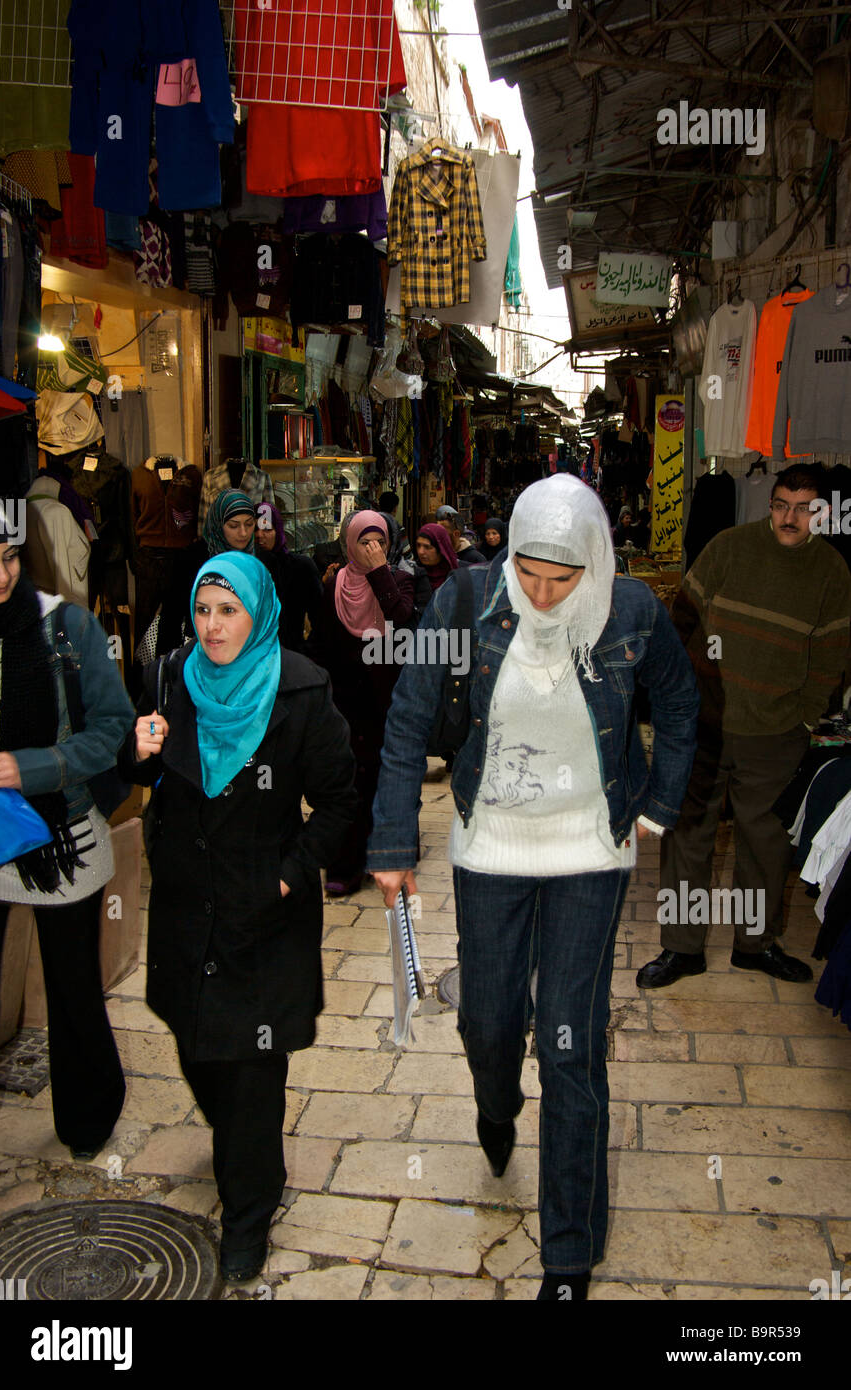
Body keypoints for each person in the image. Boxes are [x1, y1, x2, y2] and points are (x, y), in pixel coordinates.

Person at [366, 474, 699, 1300]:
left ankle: (568, 1255)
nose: (543, 595)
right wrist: (393, 840)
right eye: (529, 573)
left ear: (596, 561)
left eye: (564, 578)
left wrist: (658, 801)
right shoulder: (462, 601)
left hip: (591, 846)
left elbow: (683, 700)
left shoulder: (633, 611)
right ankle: (493, 1101)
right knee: (489, 1020)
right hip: (491, 847)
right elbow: (409, 715)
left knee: (571, 1043)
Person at [120, 551, 356, 1282]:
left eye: (229, 610)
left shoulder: (302, 690)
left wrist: (290, 876)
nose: (213, 626)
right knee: (197, 1048)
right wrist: (135, 755)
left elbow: (344, 799)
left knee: (252, 1069)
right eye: (203, 610)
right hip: (190, 906)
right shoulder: (172, 682)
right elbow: (144, 774)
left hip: (263, 911)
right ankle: (245, 1152)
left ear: (258, 614)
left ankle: (248, 1213)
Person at [637, 462, 851, 989]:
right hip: (703, 723)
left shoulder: (832, 572)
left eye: (803, 508)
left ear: (822, 513)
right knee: (687, 836)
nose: (789, 517)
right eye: (780, 504)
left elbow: (829, 655)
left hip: (775, 733)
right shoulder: (729, 547)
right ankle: (681, 949)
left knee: (766, 844)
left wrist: (804, 715)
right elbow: (680, 619)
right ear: (769, 503)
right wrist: (672, 695)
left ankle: (755, 946)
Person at [0, 497, 134, 1161]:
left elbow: (114, 731)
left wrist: (33, 767)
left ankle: (88, 1118)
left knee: (72, 990)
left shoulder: (66, 628)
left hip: (59, 838)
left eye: (8, 558)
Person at [313, 510, 414, 896]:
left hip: (385, 699)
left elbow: (402, 620)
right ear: (349, 543)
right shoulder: (333, 586)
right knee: (345, 779)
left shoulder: (402, 580)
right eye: (364, 542)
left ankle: (384, 855)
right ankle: (345, 863)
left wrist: (378, 573)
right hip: (343, 700)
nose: (373, 549)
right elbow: (321, 643)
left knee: (381, 777)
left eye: (380, 542)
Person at [254, 502, 323, 653]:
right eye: (254, 529)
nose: (259, 535)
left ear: (277, 530)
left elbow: (321, 620)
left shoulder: (301, 567)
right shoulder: (248, 569)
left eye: (266, 529)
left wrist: (306, 653)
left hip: (291, 655)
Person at [415, 523, 459, 591]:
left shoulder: (458, 575)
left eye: (427, 547)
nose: (421, 552)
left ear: (440, 549)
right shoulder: (413, 573)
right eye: (418, 545)